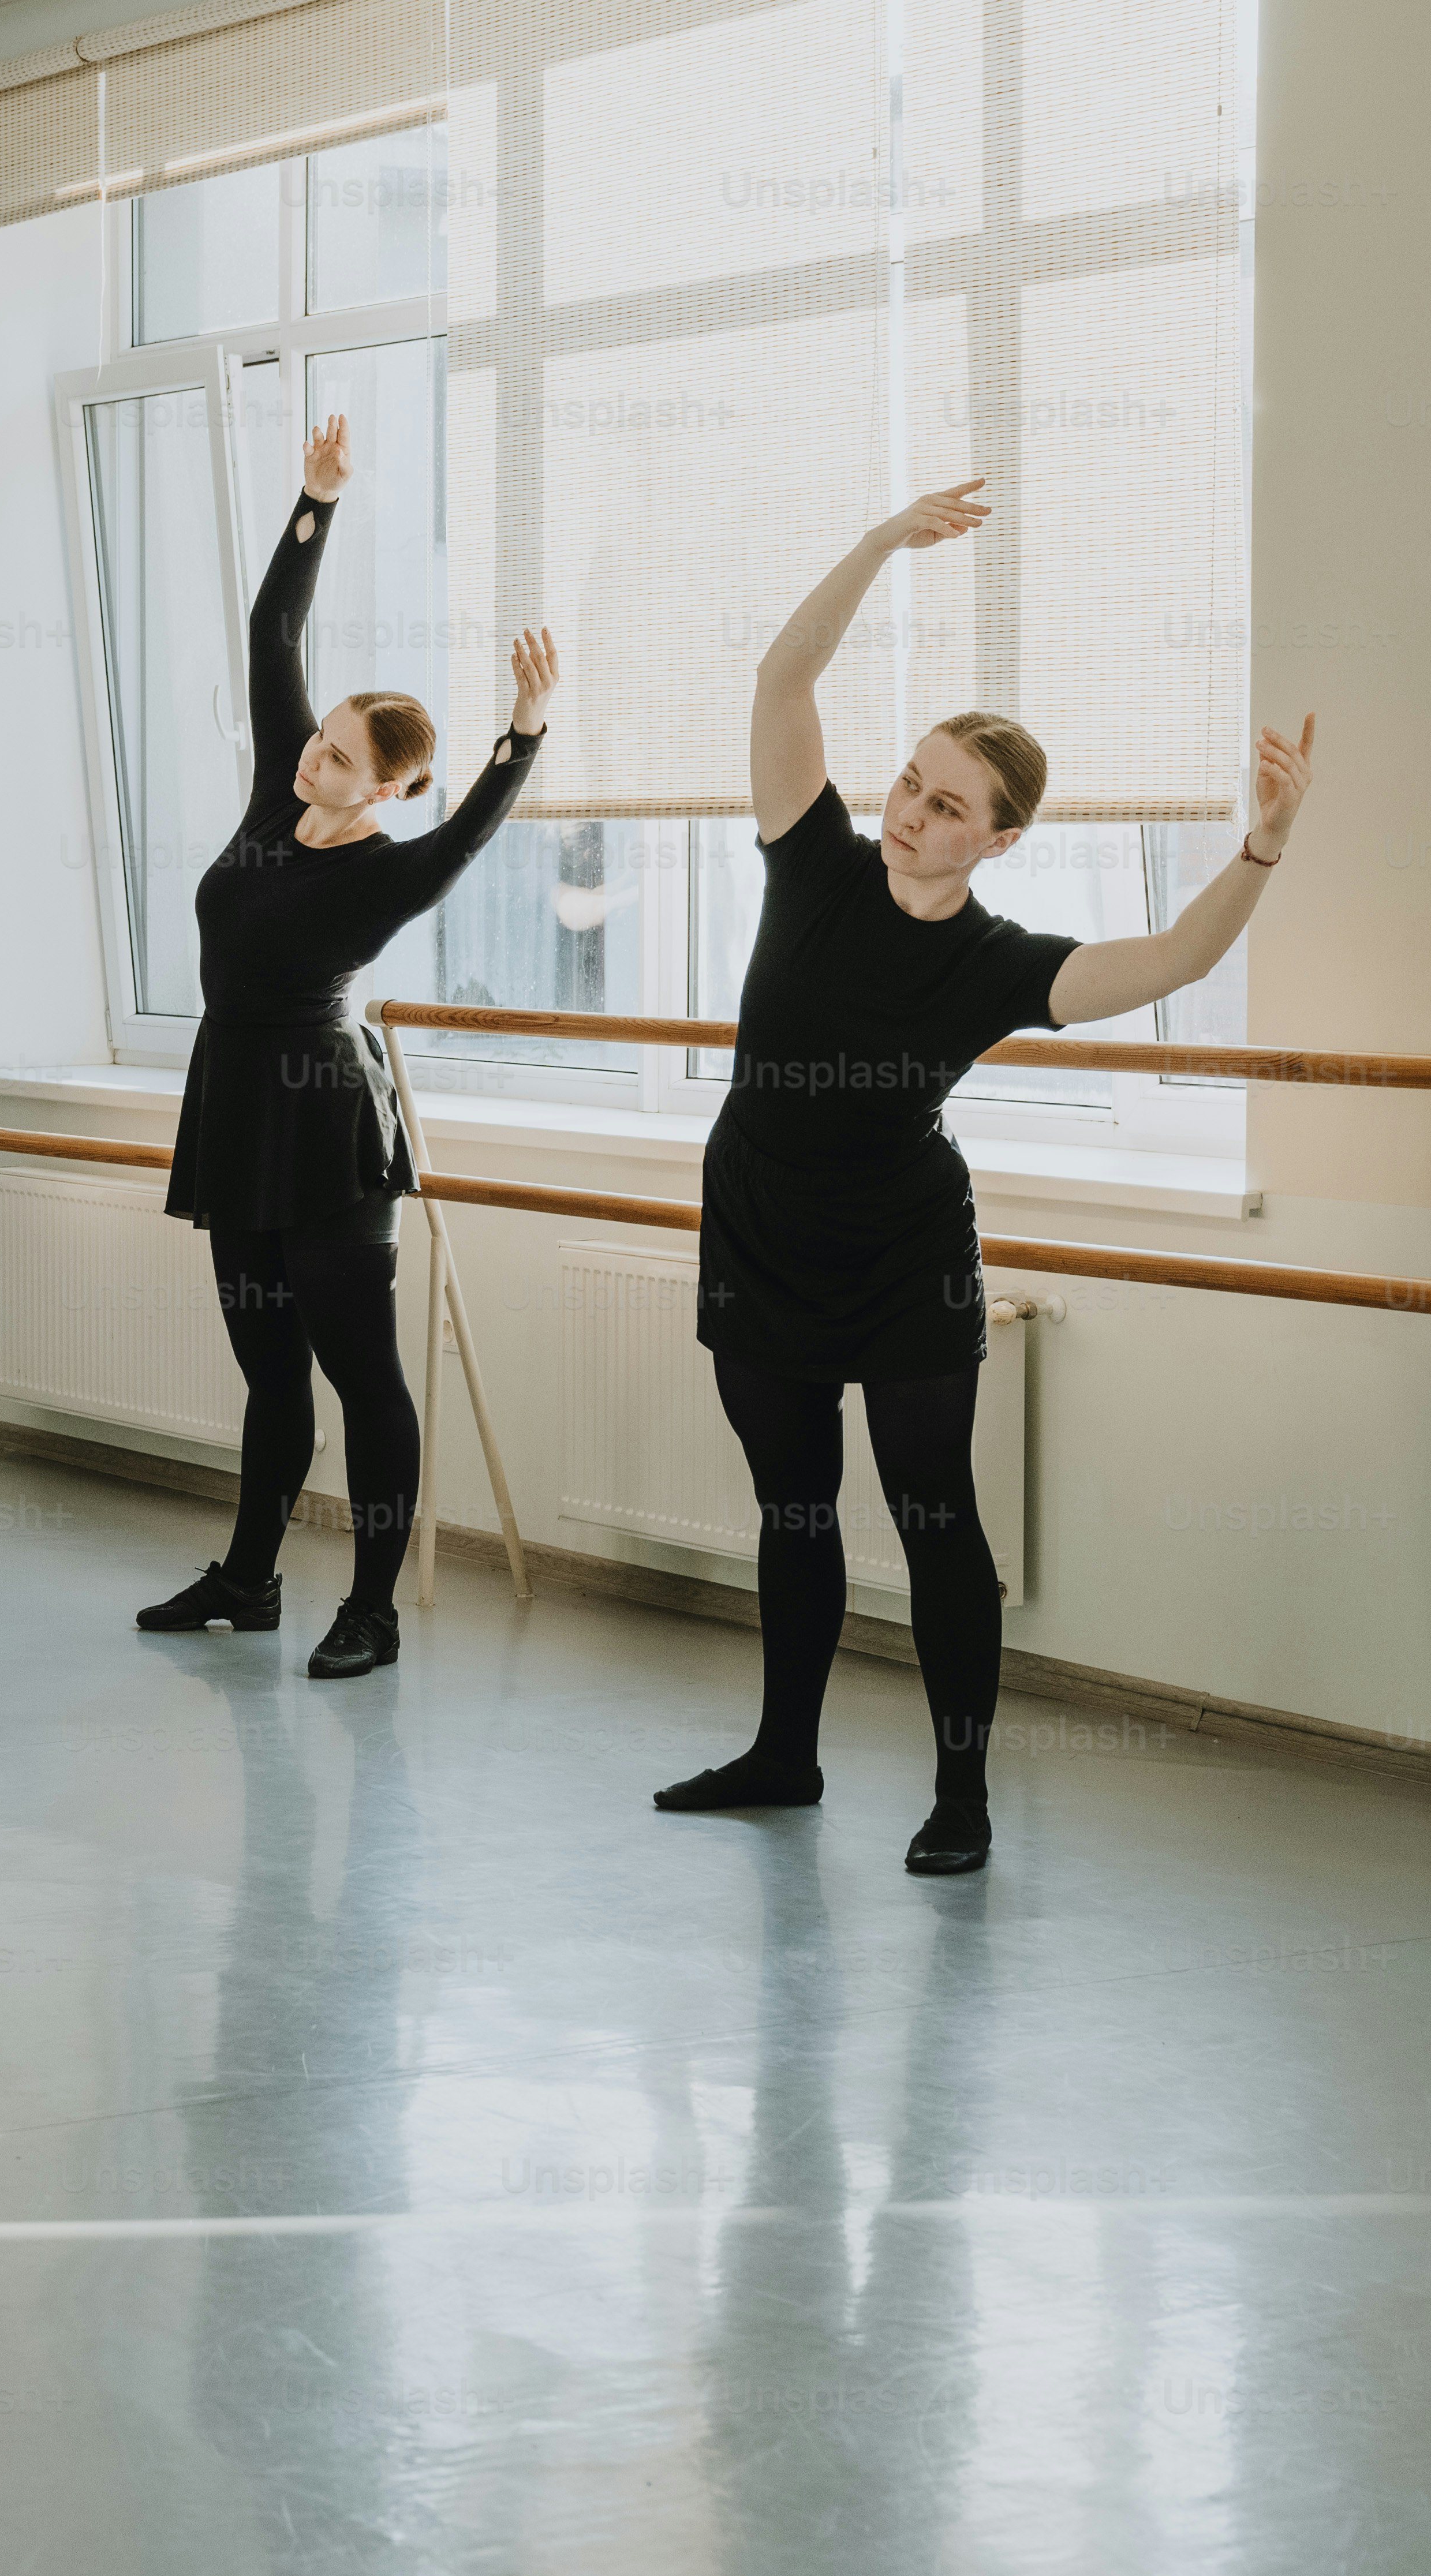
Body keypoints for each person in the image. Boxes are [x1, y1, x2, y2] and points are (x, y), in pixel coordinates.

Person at [657, 478, 1320, 1875]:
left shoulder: (995, 961)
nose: (907, 810)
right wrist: (884, 542)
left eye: (946, 803)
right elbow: (784, 675)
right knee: (791, 1506)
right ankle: (786, 1755)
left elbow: (1176, 965)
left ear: (999, 838)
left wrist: (1258, 844)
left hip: (901, 1255)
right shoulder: (810, 864)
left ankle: (958, 1797)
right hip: (761, 1224)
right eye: (907, 780)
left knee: (931, 1513)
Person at [134, 415, 555, 1679]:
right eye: (317, 739)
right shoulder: (278, 789)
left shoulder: (388, 874)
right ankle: (250, 1576)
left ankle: (367, 1605)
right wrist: (312, 503)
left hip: (322, 1125)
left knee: (358, 1372)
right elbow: (271, 635)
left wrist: (521, 733)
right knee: (266, 1368)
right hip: (231, 1104)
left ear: (386, 789)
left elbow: (474, 831)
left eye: (340, 755)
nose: (314, 754)